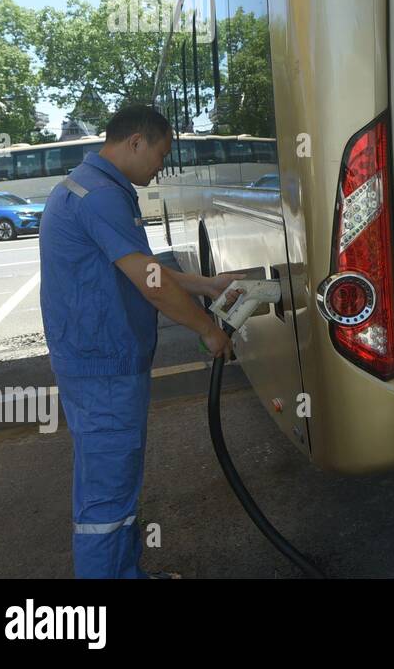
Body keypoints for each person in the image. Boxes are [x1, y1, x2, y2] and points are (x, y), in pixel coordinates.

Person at [39, 104, 236, 579]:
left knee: (113, 486)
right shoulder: (102, 196)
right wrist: (208, 330)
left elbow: (138, 265)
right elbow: (149, 281)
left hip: (96, 361)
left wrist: (206, 286)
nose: (162, 166)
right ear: (135, 143)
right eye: (161, 154)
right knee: (107, 496)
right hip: (104, 367)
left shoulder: (90, 186)